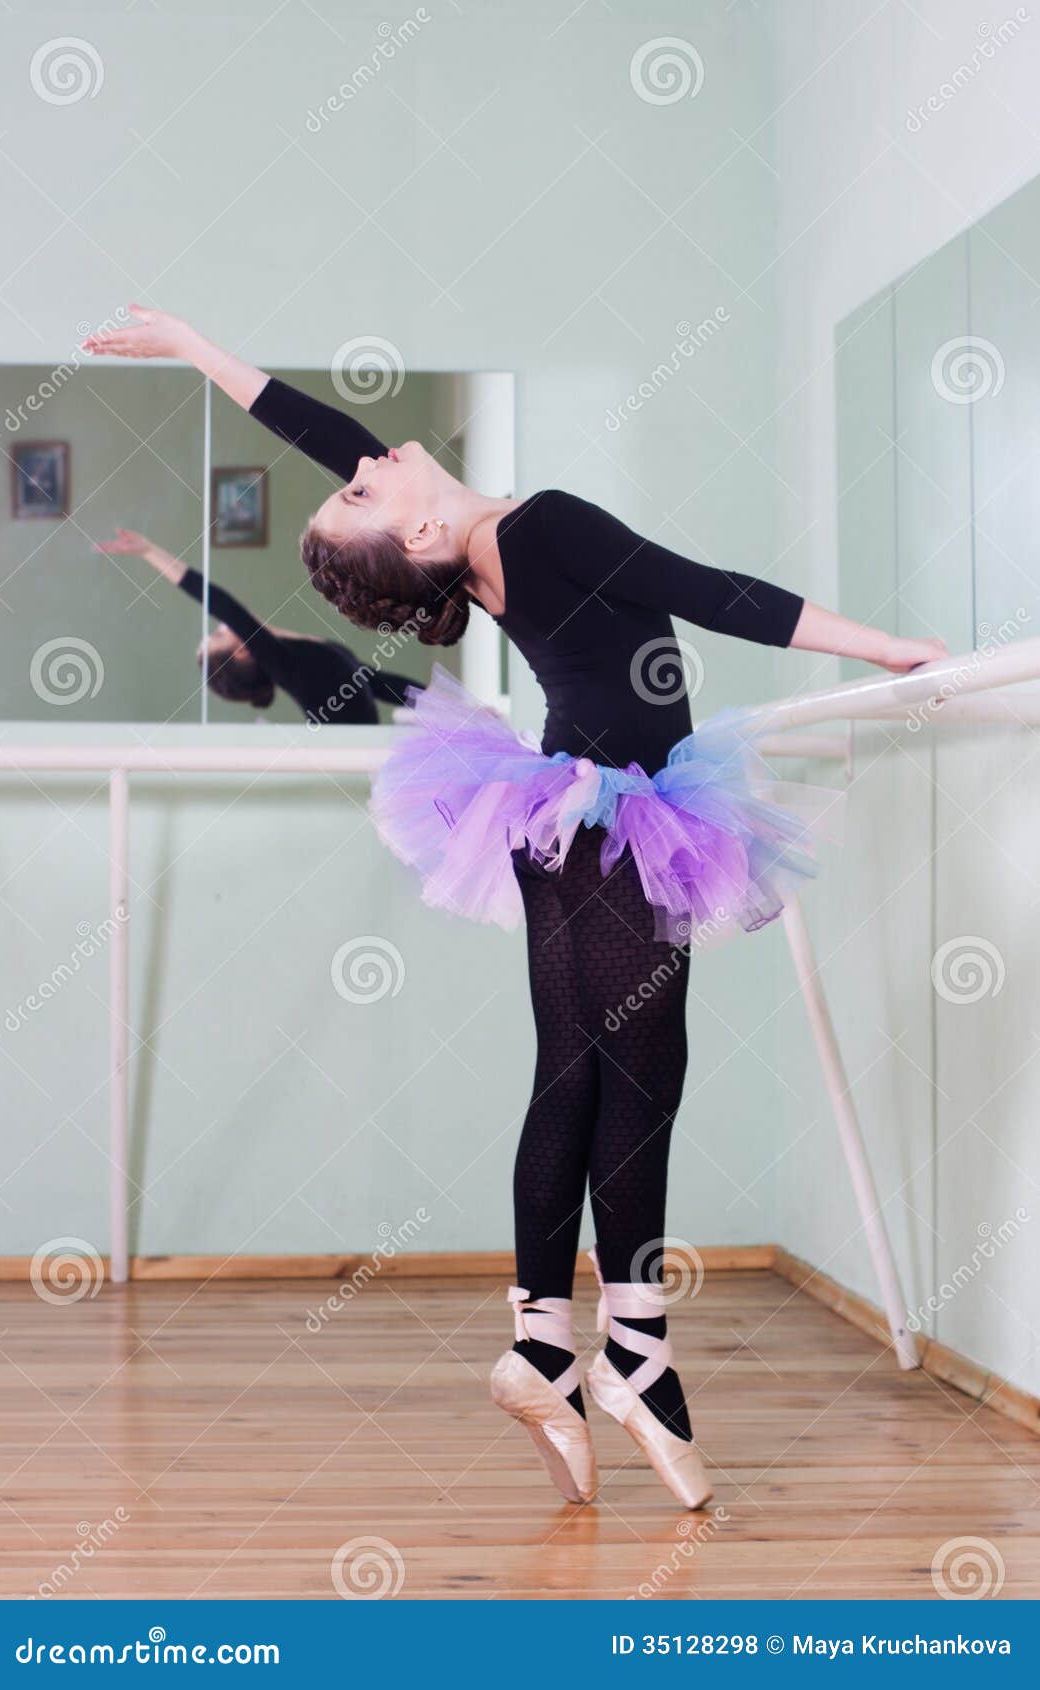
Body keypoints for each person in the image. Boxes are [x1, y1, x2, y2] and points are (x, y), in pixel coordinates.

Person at [86, 307, 947, 1509]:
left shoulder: (468, 537)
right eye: (366, 486)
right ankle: (632, 1353)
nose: (367, 461)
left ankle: (548, 1344)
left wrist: (192, 344)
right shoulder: (539, 524)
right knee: (638, 1079)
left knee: (576, 1075)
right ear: (421, 530)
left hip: (569, 822)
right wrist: (888, 649)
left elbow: (318, 427)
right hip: (614, 817)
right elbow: (712, 592)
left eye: (361, 475)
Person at [93, 527, 420, 724]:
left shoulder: (297, 660)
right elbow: (223, 603)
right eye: (220, 634)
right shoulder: (288, 666)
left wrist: (443, 704)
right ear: (244, 653)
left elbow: (378, 683)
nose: (223, 623)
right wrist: (149, 551)